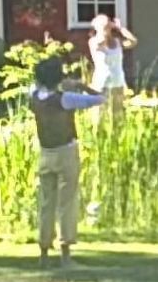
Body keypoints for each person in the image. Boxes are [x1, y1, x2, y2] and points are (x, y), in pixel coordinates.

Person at [28, 54, 105, 268]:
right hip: (66, 151)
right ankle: (65, 255)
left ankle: (43, 252)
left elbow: (36, 86)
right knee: (67, 203)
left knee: (46, 204)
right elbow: (99, 99)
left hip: (45, 152)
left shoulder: (33, 96)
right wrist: (80, 85)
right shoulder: (65, 99)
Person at [87, 13, 137, 118]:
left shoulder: (117, 42)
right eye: (104, 25)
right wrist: (103, 29)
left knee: (118, 114)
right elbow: (101, 41)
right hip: (102, 82)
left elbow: (133, 41)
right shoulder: (93, 41)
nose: (107, 26)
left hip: (117, 81)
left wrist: (121, 28)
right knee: (100, 114)